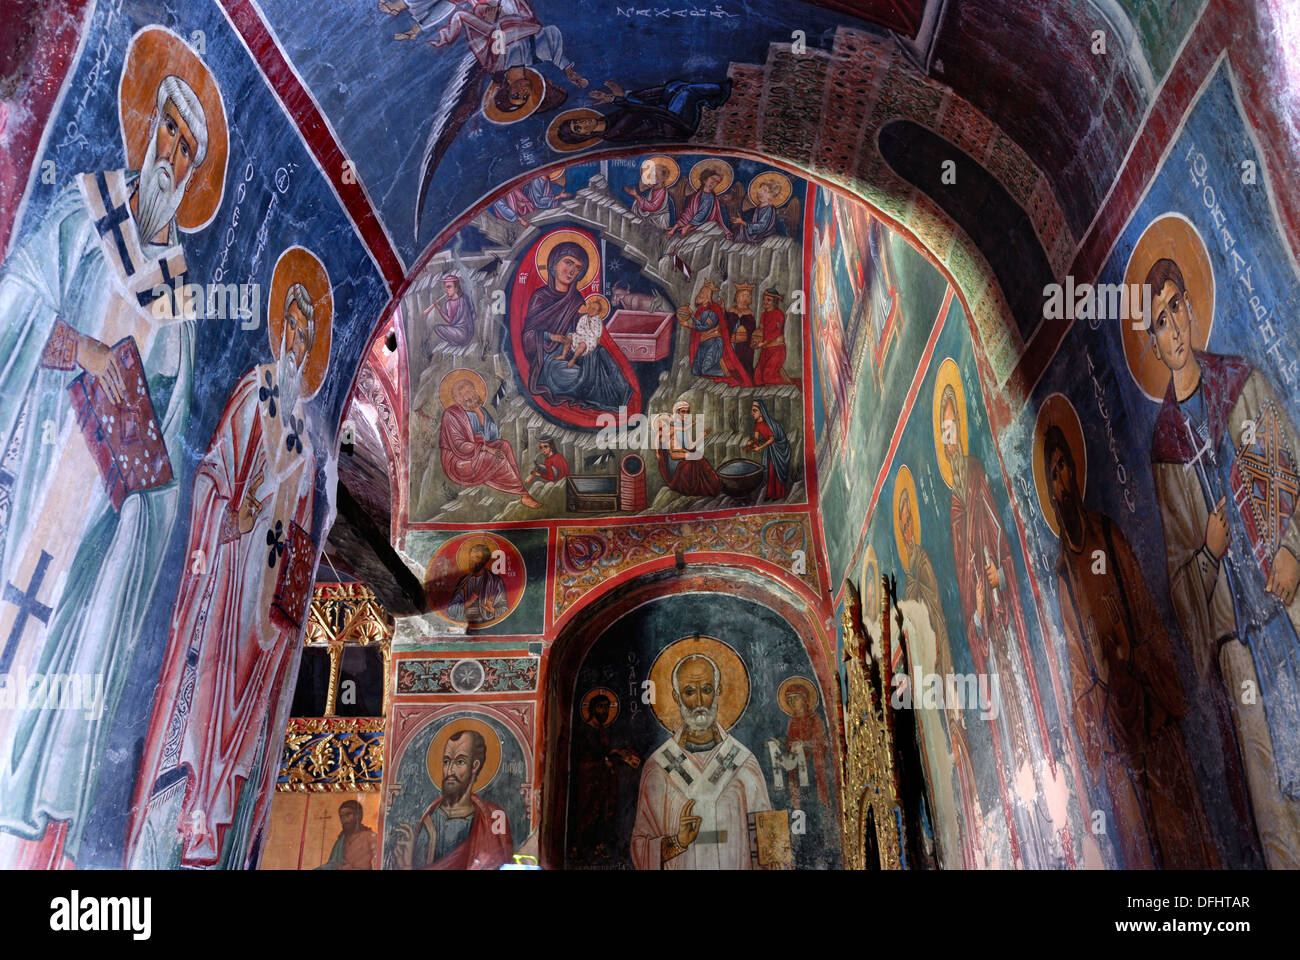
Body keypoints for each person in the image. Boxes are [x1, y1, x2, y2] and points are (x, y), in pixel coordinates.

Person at [0, 58, 221, 867]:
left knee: (62, 641)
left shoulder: (182, 291)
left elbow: (176, 418)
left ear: (194, 170)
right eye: (165, 129)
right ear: (146, 127)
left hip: (102, 506)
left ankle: (30, 823)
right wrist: (83, 350)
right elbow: (17, 298)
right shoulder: (84, 211)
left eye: (186, 148)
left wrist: (145, 493)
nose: (169, 152)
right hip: (38, 462)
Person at [127, 277, 323, 869]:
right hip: (232, 575)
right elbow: (211, 471)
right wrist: (228, 516)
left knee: (244, 714)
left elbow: (306, 528)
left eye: (308, 335)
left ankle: (215, 829)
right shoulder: (255, 392)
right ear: (279, 328)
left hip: (266, 608)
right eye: (293, 326)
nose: (298, 342)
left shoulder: (310, 443)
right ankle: (185, 821)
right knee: (209, 700)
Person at [1145, 256, 1300, 868]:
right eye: (1160, 320)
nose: (1175, 327)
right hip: (1237, 645)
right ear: (1152, 342)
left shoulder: (1241, 383)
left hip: (1286, 603)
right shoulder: (1164, 450)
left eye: (1177, 306)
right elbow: (1182, 590)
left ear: (1191, 306)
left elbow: (1290, 473)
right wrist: (1210, 550)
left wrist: (1290, 550)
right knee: (1274, 808)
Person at [1044, 421, 1218, 867]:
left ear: (1076, 476)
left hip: (1151, 706)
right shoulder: (1063, 573)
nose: (1063, 480)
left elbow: (1146, 614)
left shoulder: (1109, 533)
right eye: (1054, 473)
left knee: (1181, 833)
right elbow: (1077, 669)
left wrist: (1132, 655)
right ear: (1048, 488)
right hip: (1115, 728)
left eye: (1066, 467)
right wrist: (1100, 679)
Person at [937, 378, 1056, 868]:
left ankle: (1044, 795)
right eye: (943, 433)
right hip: (983, 621)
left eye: (951, 426)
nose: (948, 438)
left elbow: (997, 541)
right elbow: (962, 575)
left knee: (1021, 703)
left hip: (1002, 613)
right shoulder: (950, 503)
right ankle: (1023, 804)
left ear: (959, 430)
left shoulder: (976, 473)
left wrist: (998, 577)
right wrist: (975, 606)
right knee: (1001, 717)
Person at [895, 477, 982, 868]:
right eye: (904, 523)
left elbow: (936, 618)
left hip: (940, 663)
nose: (910, 528)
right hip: (925, 677)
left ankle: (974, 824)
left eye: (909, 519)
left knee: (955, 742)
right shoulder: (910, 573)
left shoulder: (923, 563)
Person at [630, 654, 771, 869]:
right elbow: (640, 848)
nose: (698, 702)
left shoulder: (744, 763)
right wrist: (678, 842)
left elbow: (770, 841)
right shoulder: (658, 768)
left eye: (706, 690)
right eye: (689, 692)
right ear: (676, 697)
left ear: (718, 691)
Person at [520, 240, 633, 411]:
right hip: (550, 360)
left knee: (600, 353)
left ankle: (620, 394)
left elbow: (582, 328)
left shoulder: (578, 299)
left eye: (578, 268)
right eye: (568, 263)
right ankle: (597, 391)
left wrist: (585, 335)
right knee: (570, 374)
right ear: (553, 264)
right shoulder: (540, 297)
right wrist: (550, 336)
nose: (572, 271)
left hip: (575, 348)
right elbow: (528, 335)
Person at [390, 729, 513, 870]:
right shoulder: (429, 821)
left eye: (460, 762)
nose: (449, 771)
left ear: (474, 766)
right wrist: (405, 865)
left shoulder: (492, 817)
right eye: (446, 761)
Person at [438, 372, 540, 508]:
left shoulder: (480, 410)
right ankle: (523, 495)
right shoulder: (451, 415)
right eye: (462, 394)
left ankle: (516, 485)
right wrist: (485, 448)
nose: (468, 395)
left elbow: (493, 436)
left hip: (478, 451)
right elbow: (459, 445)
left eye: (470, 391)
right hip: (459, 460)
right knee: (495, 457)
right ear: (456, 399)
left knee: (504, 445)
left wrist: (478, 411)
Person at [554, 79, 730, 147]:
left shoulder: (607, 120)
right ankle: (721, 93)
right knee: (686, 92)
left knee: (672, 87)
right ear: (585, 135)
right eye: (578, 128)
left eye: (577, 121)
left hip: (662, 114)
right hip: (675, 124)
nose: (582, 123)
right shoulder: (613, 132)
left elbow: (641, 107)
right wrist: (616, 99)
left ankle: (710, 101)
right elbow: (639, 111)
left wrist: (618, 98)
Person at [573, 693, 640, 860]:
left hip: (601, 779)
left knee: (601, 813)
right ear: (592, 709)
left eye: (606, 707)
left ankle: (596, 846)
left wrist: (617, 757)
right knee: (586, 811)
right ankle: (577, 847)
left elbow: (604, 753)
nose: (603, 711)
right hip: (587, 779)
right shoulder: (586, 729)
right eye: (600, 707)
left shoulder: (602, 730)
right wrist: (616, 753)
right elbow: (596, 751)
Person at [676, 279, 751, 387]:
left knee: (705, 370)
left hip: (714, 342)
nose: (699, 295)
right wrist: (692, 316)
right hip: (704, 344)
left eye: (702, 293)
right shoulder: (701, 310)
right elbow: (700, 324)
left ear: (707, 296)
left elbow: (706, 326)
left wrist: (688, 324)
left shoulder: (712, 309)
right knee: (696, 371)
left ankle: (727, 373)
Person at [654, 401, 720, 497]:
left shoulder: (685, 428)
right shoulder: (670, 428)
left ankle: (711, 487)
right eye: (683, 411)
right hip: (673, 462)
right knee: (690, 465)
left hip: (682, 454)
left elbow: (691, 446)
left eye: (687, 412)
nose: (685, 414)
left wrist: (702, 435)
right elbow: (668, 451)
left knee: (700, 460)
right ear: (676, 413)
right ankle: (694, 489)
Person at [446, 541, 508, 625]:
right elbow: (451, 610)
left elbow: (505, 610)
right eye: (471, 557)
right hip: (465, 623)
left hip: (487, 623)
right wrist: (470, 601)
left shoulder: (495, 581)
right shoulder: (464, 581)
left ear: (484, 560)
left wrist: (492, 610)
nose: (472, 560)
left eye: (477, 557)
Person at [742, 399, 792, 501]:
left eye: (755, 411)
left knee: (775, 470)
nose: (752, 413)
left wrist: (760, 447)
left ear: (761, 412)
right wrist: (751, 442)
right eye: (752, 410)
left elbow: (772, 439)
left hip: (779, 449)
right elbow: (756, 439)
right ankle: (770, 494)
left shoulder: (768, 424)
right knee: (770, 471)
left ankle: (778, 494)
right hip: (770, 449)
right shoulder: (757, 424)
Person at [667, 165, 732, 240]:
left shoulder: (710, 197)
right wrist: (674, 229)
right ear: (705, 179)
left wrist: (687, 226)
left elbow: (702, 214)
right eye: (712, 179)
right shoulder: (697, 195)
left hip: (704, 227)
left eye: (717, 182)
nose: (713, 183)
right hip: (692, 226)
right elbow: (688, 213)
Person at [491, 170, 569, 226]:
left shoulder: (541, 180)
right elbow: (503, 207)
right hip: (514, 219)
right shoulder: (500, 192)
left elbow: (528, 201)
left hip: (527, 211)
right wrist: (520, 219)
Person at [315, 800, 378, 870]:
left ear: (358, 815)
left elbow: (381, 862)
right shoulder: (342, 840)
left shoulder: (370, 837)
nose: (344, 819)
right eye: (341, 817)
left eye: (348, 815)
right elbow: (333, 864)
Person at [425, 273, 475, 348]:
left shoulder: (449, 303)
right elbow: (474, 315)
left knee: (437, 328)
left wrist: (439, 309)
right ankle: (456, 342)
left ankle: (455, 342)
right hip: (469, 335)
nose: (446, 290)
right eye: (446, 287)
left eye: (449, 287)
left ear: (456, 288)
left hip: (460, 335)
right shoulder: (466, 298)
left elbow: (450, 321)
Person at [752, 288, 791, 385]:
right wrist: (755, 341)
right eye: (764, 299)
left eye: (768, 300)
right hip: (766, 350)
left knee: (767, 376)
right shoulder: (764, 315)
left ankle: (786, 387)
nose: (765, 302)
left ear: (774, 302)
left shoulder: (778, 314)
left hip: (776, 350)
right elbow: (760, 331)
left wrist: (763, 343)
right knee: (757, 378)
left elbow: (775, 333)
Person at [730, 177, 786, 244]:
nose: (760, 191)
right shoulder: (757, 208)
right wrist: (739, 220)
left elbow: (761, 227)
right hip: (754, 234)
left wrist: (742, 222)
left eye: (765, 190)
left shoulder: (768, 209)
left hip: (761, 236)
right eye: (760, 188)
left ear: (771, 196)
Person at [623, 160, 674, 229]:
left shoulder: (662, 192)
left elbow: (652, 207)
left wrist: (636, 195)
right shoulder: (653, 189)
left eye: (653, 175)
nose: (650, 177)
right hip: (652, 219)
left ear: (660, 178)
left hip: (658, 222)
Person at [724, 283, 756, 379]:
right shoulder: (732, 310)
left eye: (748, 296)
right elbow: (726, 324)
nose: (745, 298)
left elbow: (751, 329)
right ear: (737, 297)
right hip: (732, 341)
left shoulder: (750, 313)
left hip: (744, 344)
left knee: (744, 361)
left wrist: (744, 335)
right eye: (743, 295)